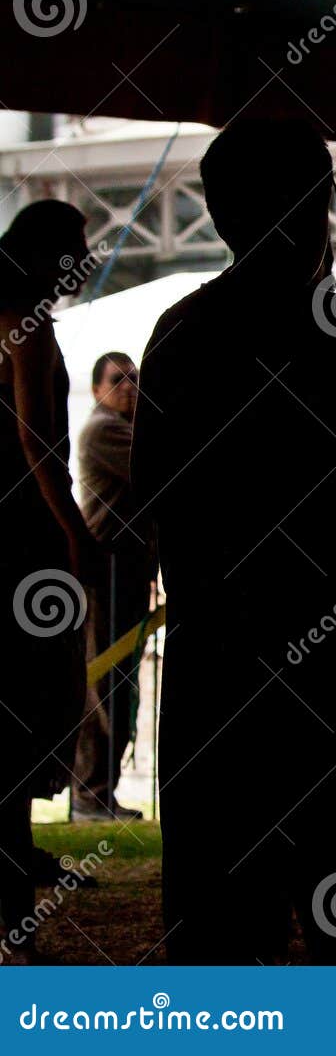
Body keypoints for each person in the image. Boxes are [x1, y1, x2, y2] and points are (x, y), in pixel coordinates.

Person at [133, 119, 336, 963]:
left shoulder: (183, 335)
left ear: (220, 215)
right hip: (330, 654)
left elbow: (156, 498)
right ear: (322, 205)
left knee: (216, 903)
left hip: (220, 652)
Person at [0, 201, 95, 963]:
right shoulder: (26, 324)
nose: (87, 259)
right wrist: (76, 532)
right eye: (78, 247)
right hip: (24, 543)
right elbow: (37, 438)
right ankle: (16, 926)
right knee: (29, 724)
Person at [72, 351, 153, 822]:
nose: (129, 388)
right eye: (119, 380)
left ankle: (101, 792)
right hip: (107, 569)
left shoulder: (121, 426)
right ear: (98, 388)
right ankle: (91, 793)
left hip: (127, 569)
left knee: (120, 684)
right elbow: (157, 468)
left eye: (134, 380)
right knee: (105, 684)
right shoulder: (106, 428)